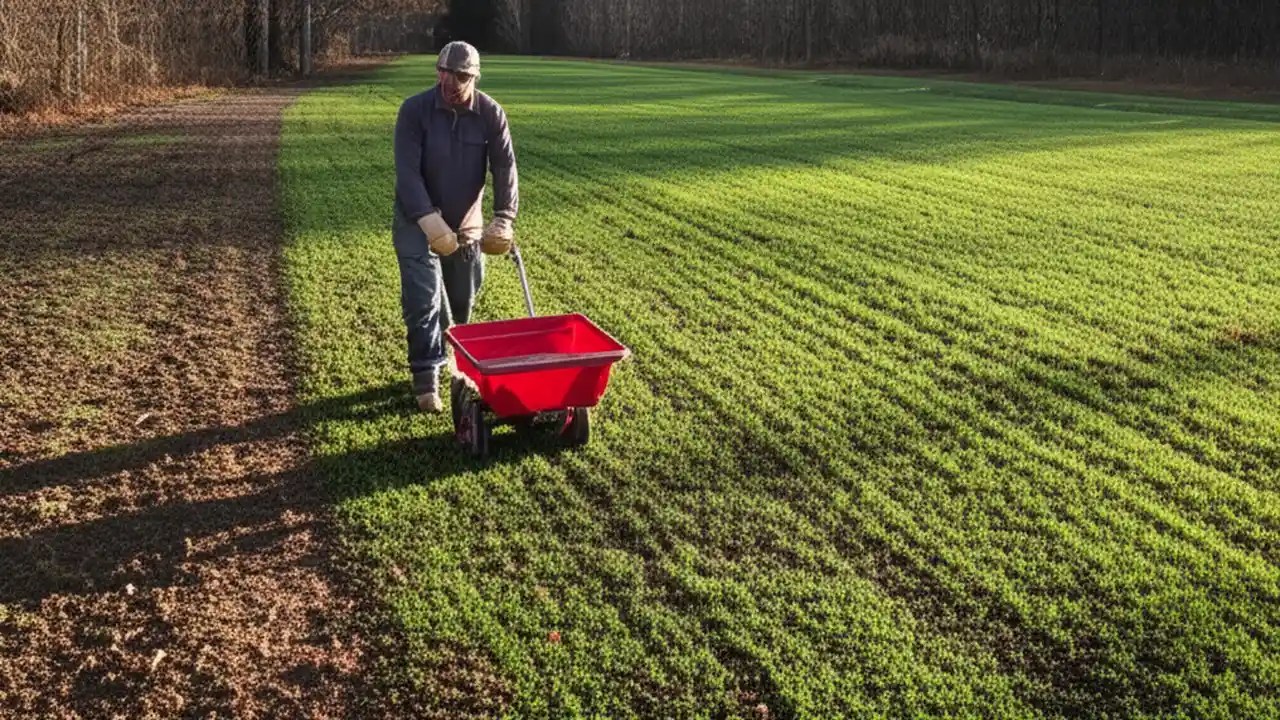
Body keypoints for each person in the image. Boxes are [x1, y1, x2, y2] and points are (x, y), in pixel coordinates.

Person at [392, 41, 519, 412]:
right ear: (438, 71)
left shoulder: (491, 114)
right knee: (423, 297)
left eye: (460, 76)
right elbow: (407, 172)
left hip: (466, 225)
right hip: (416, 219)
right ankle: (426, 375)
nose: (450, 82)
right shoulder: (414, 111)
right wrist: (428, 219)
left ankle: (449, 352)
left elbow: (504, 167)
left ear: (474, 77)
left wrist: (504, 217)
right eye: (444, 72)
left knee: (461, 303)